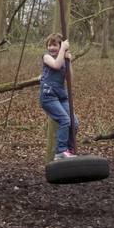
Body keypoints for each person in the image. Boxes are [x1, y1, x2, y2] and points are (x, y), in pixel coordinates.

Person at [41, 32, 79, 160]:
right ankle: (60, 151)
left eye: (55, 45)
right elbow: (56, 65)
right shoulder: (47, 57)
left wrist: (68, 61)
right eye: (49, 45)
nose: (51, 48)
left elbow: (69, 78)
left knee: (74, 122)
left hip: (61, 95)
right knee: (65, 120)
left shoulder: (62, 60)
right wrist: (62, 49)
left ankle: (69, 149)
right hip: (49, 95)